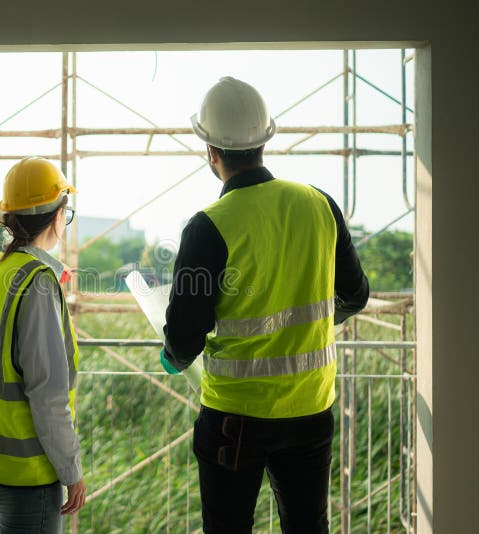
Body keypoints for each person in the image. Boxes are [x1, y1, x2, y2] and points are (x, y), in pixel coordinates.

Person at [160, 77, 369, 533]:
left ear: (211, 152)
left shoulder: (208, 226)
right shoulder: (321, 205)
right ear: (263, 142)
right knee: (308, 526)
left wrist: (172, 358)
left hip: (235, 420)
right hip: (310, 410)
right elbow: (355, 295)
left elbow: (182, 340)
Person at [0, 157, 86, 533]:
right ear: (58, 215)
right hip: (27, 474)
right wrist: (71, 470)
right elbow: (47, 394)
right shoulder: (38, 281)